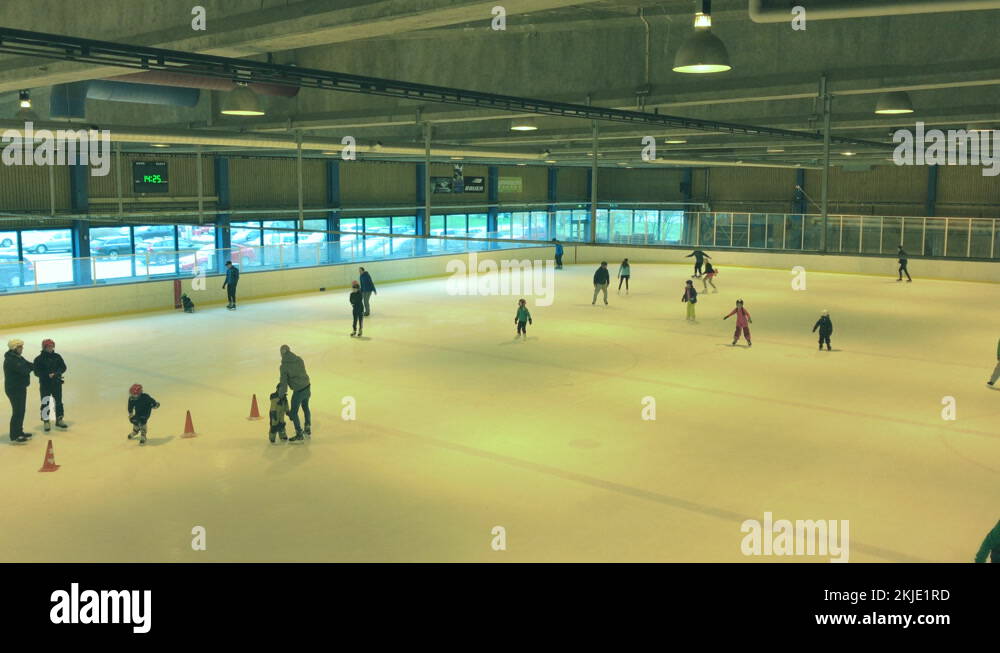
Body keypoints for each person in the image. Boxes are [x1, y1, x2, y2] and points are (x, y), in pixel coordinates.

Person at [33, 339, 67, 432]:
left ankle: (59, 419)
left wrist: (56, 373)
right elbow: (36, 372)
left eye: (52, 346)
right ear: (44, 347)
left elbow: (63, 367)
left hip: (56, 383)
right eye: (48, 346)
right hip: (45, 384)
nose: (50, 348)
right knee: (45, 402)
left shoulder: (57, 356)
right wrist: (47, 375)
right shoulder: (38, 359)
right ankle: (46, 421)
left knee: (59, 402)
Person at [278, 345, 311, 441]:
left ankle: (299, 433)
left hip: (299, 391)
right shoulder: (299, 359)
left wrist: (281, 394)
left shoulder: (284, 366)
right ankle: (307, 426)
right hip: (307, 386)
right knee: (305, 407)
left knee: (293, 412)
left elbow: (283, 383)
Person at [4, 339, 33, 443]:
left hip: (20, 387)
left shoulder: (17, 357)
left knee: (21, 410)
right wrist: (29, 368)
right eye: (20, 347)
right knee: (17, 411)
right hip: (14, 389)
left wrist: (38, 366)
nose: (22, 349)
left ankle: (19, 432)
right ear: (14, 348)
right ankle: (14, 435)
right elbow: (24, 370)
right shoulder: (11, 360)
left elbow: (29, 365)